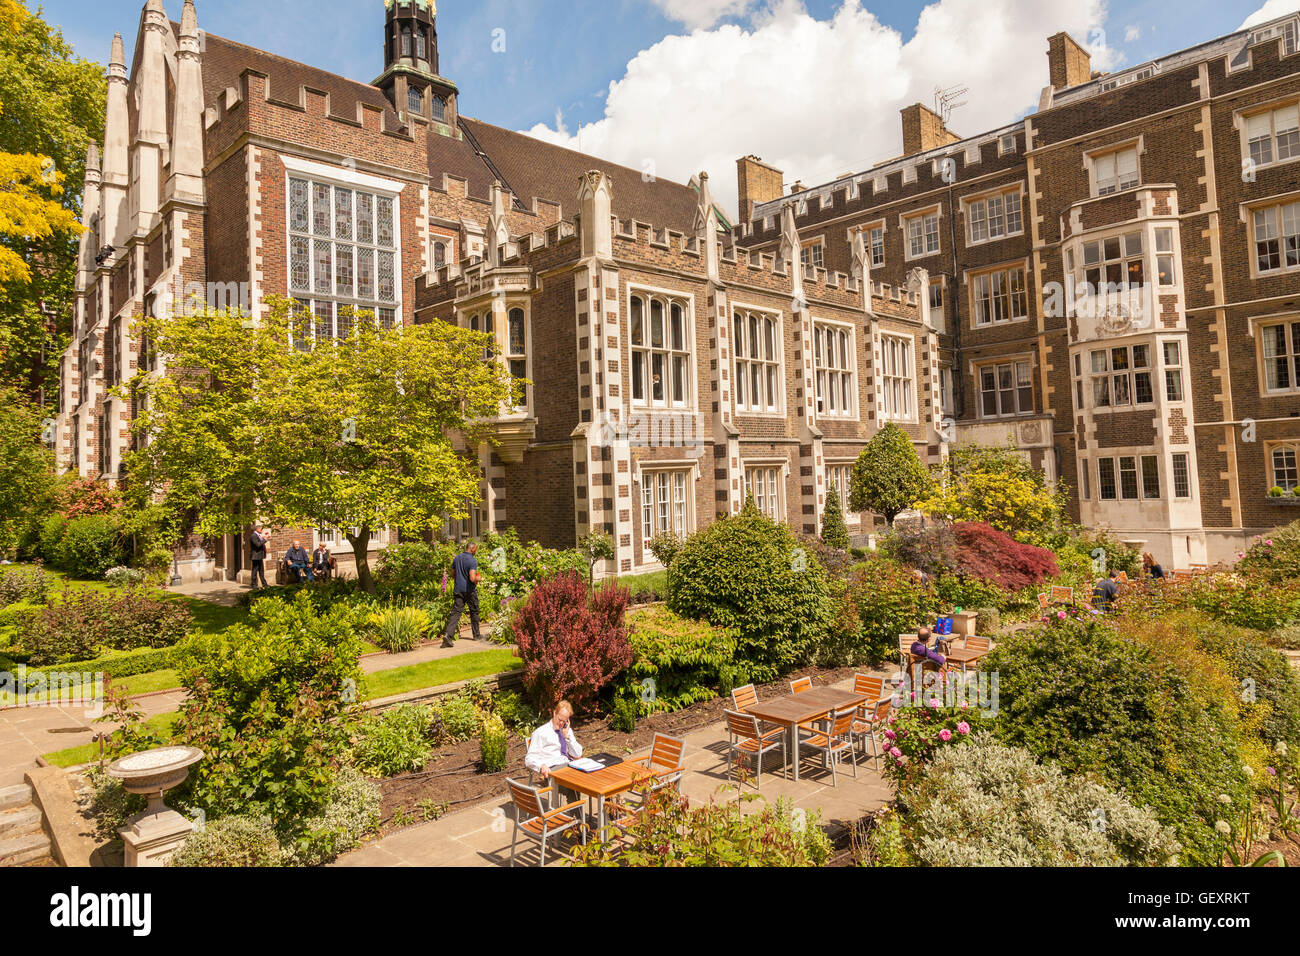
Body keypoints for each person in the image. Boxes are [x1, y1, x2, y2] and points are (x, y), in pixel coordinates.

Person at [525, 701, 583, 783]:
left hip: (568, 765)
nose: (561, 723)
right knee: (575, 784)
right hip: (552, 769)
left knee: (588, 778)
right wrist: (541, 766)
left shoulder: (566, 730)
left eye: (564, 721)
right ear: (554, 713)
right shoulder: (541, 733)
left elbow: (577, 754)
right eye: (560, 720)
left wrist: (567, 737)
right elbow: (529, 759)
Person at [442, 542, 481, 647]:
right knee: (474, 611)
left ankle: (448, 636)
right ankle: (476, 635)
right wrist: (478, 578)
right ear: (472, 548)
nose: (476, 551)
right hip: (469, 591)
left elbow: (452, 574)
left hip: (458, 589)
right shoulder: (472, 560)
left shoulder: (457, 558)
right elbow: (472, 578)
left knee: (456, 613)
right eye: (475, 549)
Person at [248, 522, 269, 589]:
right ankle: (254, 584)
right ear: (257, 529)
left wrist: (262, 538)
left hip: (259, 556)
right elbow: (258, 544)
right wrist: (265, 540)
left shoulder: (258, 535)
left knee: (261, 571)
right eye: (261, 529)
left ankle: (264, 584)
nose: (262, 530)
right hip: (256, 556)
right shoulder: (253, 536)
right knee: (255, 571)